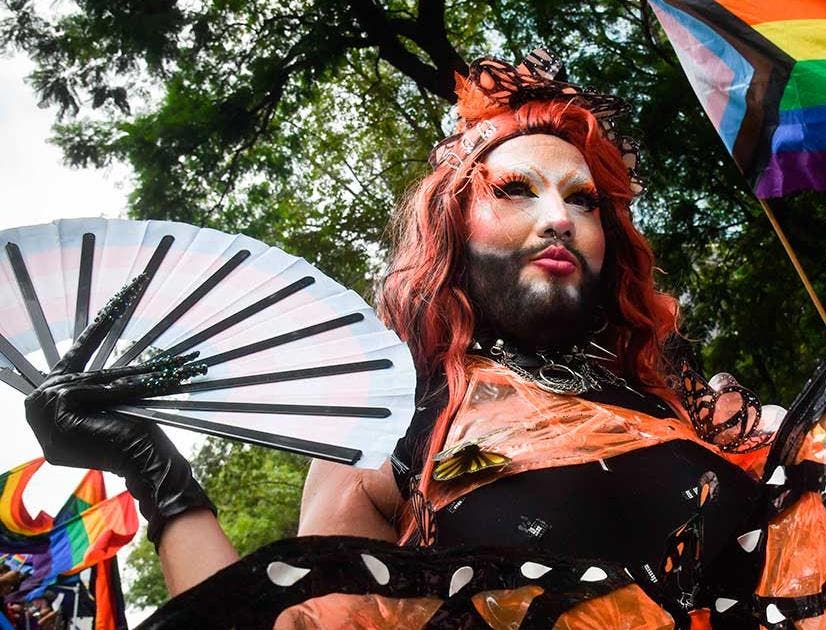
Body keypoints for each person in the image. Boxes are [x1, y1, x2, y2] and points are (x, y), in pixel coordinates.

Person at [21, 49, 774, 627]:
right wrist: (157, 473)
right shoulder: (388, 429)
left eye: (583, 201)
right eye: (515, 191)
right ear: (450, 227)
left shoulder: (686, 407)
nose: (558, 218)